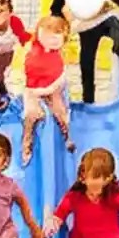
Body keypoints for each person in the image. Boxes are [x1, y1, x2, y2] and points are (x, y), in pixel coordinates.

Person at [21, 15, 74, 165]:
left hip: (52, 88)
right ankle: (26, 143)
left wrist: (51, 90)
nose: (53, 41)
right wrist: (39, 93)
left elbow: (60, 78)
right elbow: (30, 81)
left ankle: (67, 135)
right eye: (48, 36)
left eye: (57, 38)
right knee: (32, 114)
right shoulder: (33, 54)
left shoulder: (58, 56)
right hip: (34, 89)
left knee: (60, 111)